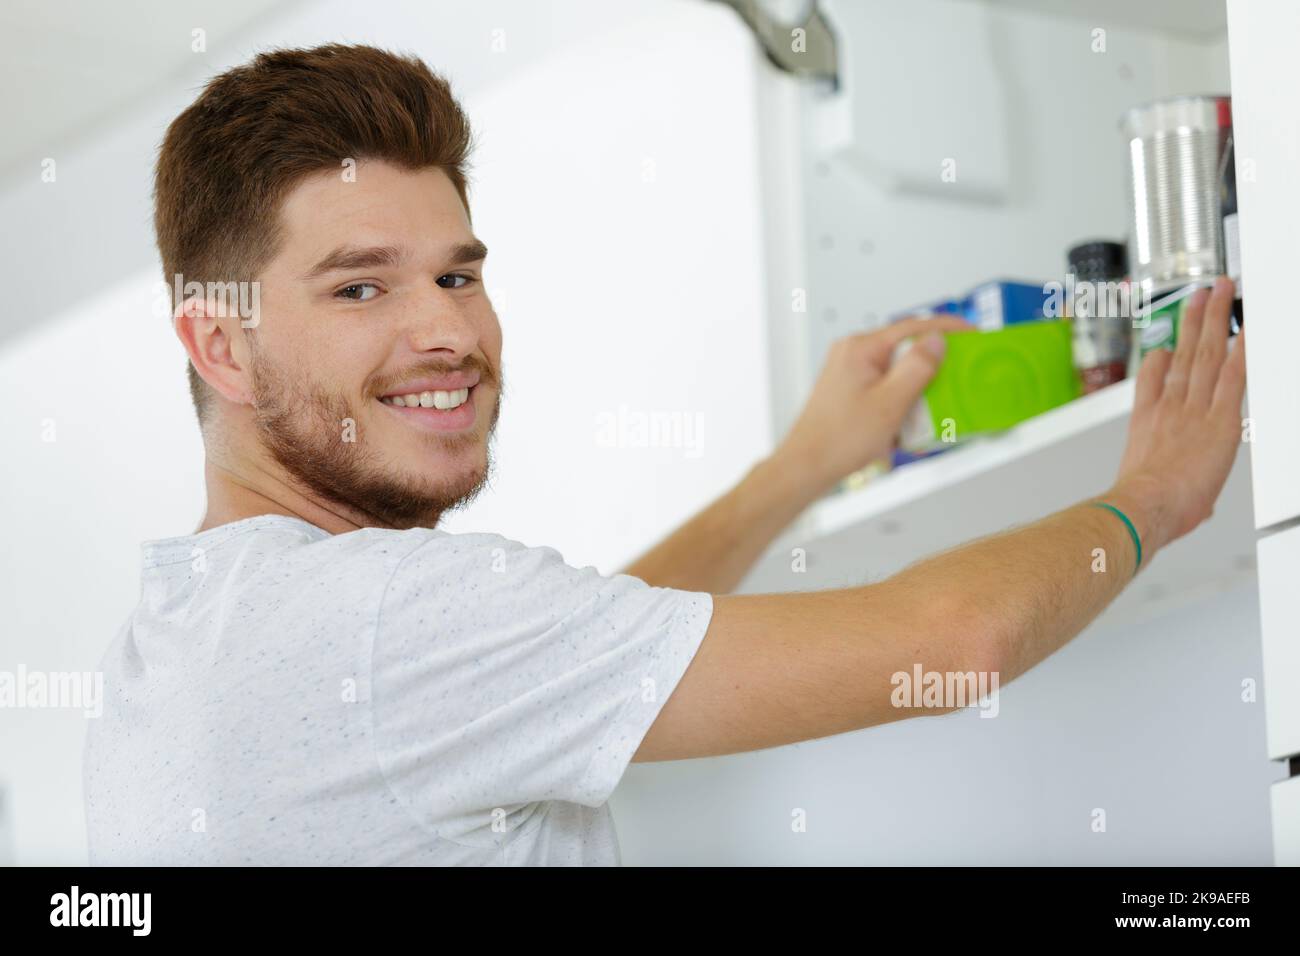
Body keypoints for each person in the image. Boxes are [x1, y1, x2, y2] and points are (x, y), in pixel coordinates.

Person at [84, 44, 1246, 865]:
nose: (444, 327)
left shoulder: (170, 652)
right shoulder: (385, 616)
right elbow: (954, 643)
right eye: (359, 285)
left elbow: (572, 656)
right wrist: (1157, 492)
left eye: (458, 273)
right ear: (220, 346)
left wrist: (794, 470)